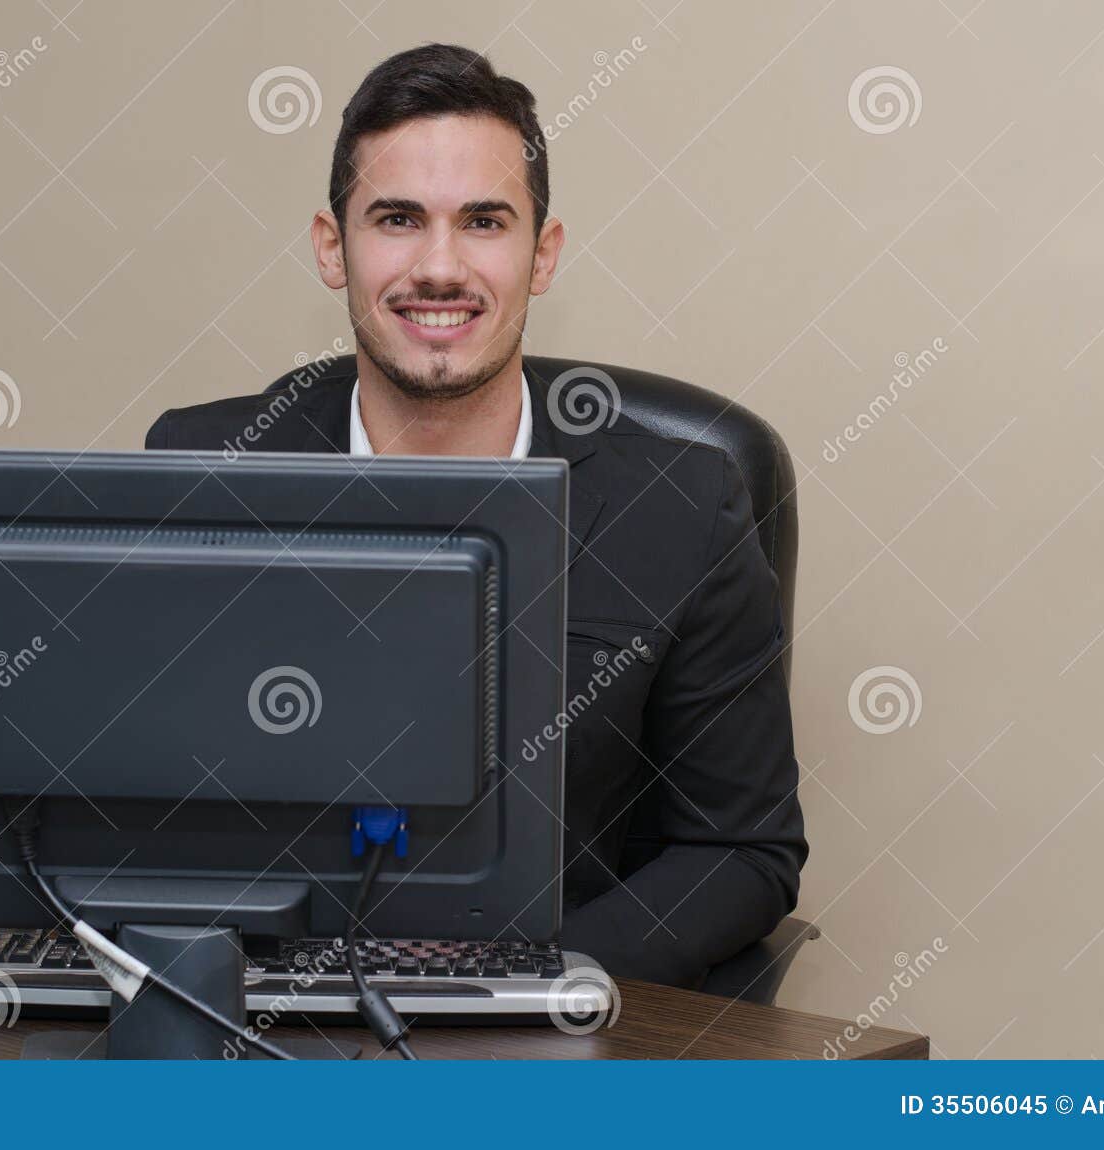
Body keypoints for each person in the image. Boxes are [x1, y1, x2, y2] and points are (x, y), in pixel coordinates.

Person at [146, 43, 806, 989]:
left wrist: (529, 984)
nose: (440, 266)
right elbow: (132, 803)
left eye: (484, 221)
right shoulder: (204, 469)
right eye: (398, 219)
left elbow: (743, 851)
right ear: (334, 248)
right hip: (257, 1017)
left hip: (539, 1032)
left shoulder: (685, 508)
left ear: (542, 254)